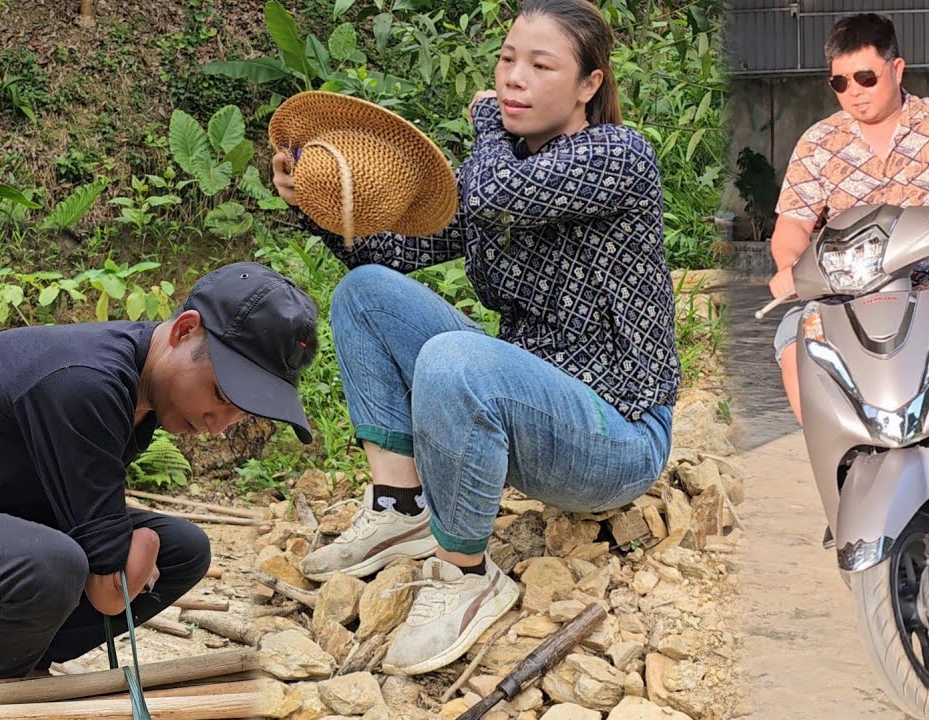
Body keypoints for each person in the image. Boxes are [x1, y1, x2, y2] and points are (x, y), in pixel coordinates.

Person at [270, 0, 678, 676]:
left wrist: (487, 121)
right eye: (507, 60)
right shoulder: (499, 168)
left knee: (454, 358)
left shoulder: (617, 156)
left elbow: (494, 194)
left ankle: (464, 574)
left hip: (616, 437)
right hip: (532, 408)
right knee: (365, 291)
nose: (513, 78)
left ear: (589, 85)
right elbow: (394, 251)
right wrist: (312, 204)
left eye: (540, 66)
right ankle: (401, 507)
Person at [0, 262, 318, 681]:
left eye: (241, 411)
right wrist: (143, 542)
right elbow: (109, 593)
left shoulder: (142, 391)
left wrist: (135, 551)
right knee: (53, 565)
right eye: (220, 394)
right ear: (185, 330)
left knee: (186, 550)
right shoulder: (86, 382)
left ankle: (26, 659)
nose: (218, 426)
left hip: (12, 515)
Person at [769, 13, 929, 427]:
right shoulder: (817, 143)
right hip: (843, 287)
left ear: (896, 69)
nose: (853, 92)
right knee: (794, 344)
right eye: (840, 83)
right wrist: (790, 267)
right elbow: (793, 224)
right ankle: (841, 456)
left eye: (866, 78)